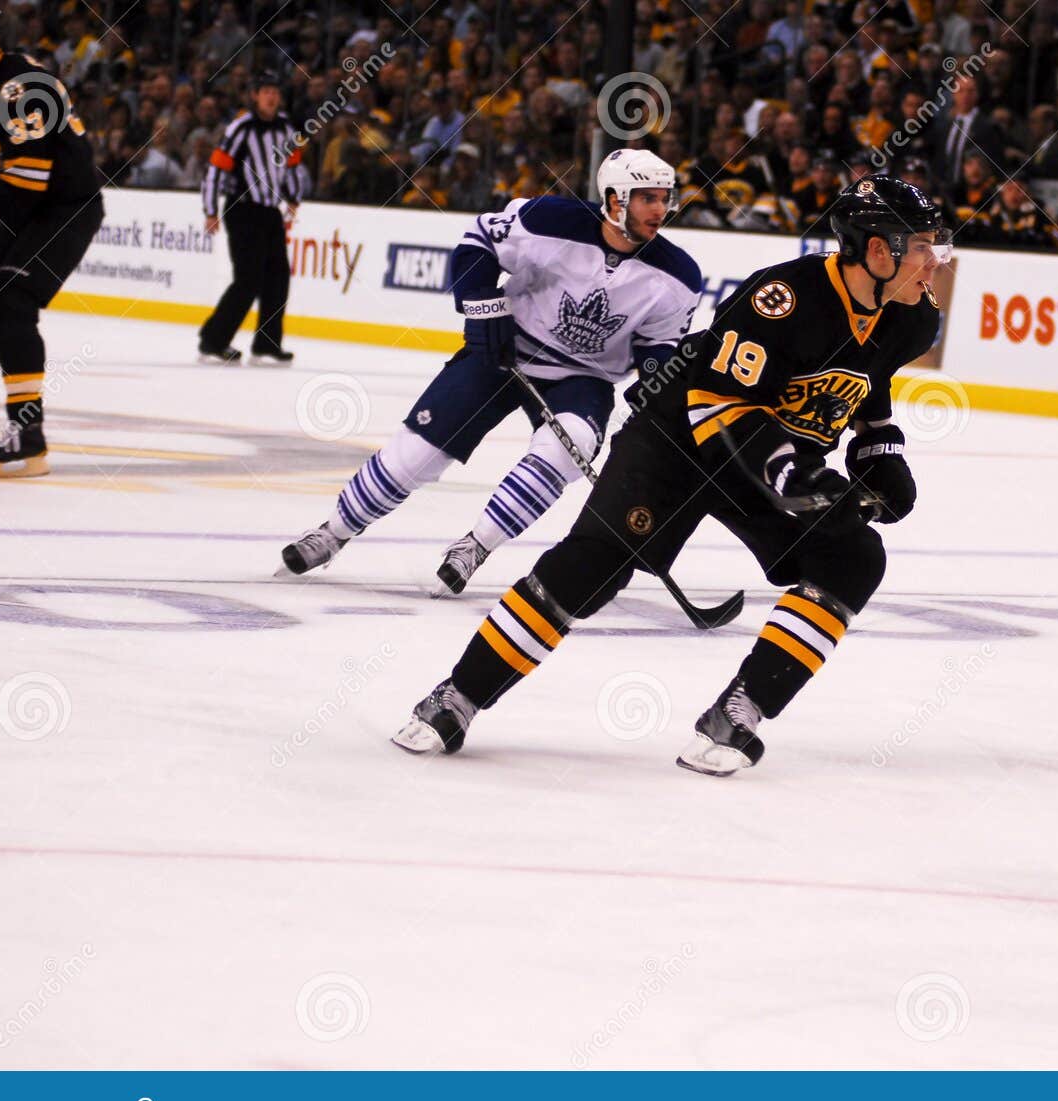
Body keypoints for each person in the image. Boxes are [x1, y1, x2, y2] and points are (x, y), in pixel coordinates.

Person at [392, 175, 946, 775]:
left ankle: (737, 712)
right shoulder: (784, 297)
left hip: (766, 461)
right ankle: (458, 695)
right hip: (679, 439)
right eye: (919, 247)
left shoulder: (911, 319)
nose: (933, 262)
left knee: (854, 558)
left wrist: (878, 452)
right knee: (592, 566)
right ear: (876, 250)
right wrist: (795, 474)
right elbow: (717, 405)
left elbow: (867, 382)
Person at [279, 149, 702, 596]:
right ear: (615, 199)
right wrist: (483, 306)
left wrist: (657, 382)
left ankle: (476, 546)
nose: (660, 210)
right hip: (505, 352)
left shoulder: (678, 276)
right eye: (648, 198)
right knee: (416, 454)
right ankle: (336, 531)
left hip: (583, 379)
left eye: (664, 198)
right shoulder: (548, 220)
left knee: (570, 444)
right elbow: (479, 240)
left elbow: (658, 345)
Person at [0, 1, 104, 478]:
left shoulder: (23, 85)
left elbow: (27, 180)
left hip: (65, 208)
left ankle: (27, 440)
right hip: (20, 204)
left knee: (11, 299)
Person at [198, 73, 301, 365]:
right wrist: (210, 211)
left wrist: (294, 198)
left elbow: (292, 167)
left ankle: (267, 344)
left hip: (270, 212)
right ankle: (213, 340)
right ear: (255, 95)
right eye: (266, 91)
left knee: (278, 277)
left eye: (275, 91)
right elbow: (216, 170)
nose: (271, 96)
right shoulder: (241, 128)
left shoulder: (286, 129)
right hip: (242, 211)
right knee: (248, 279)